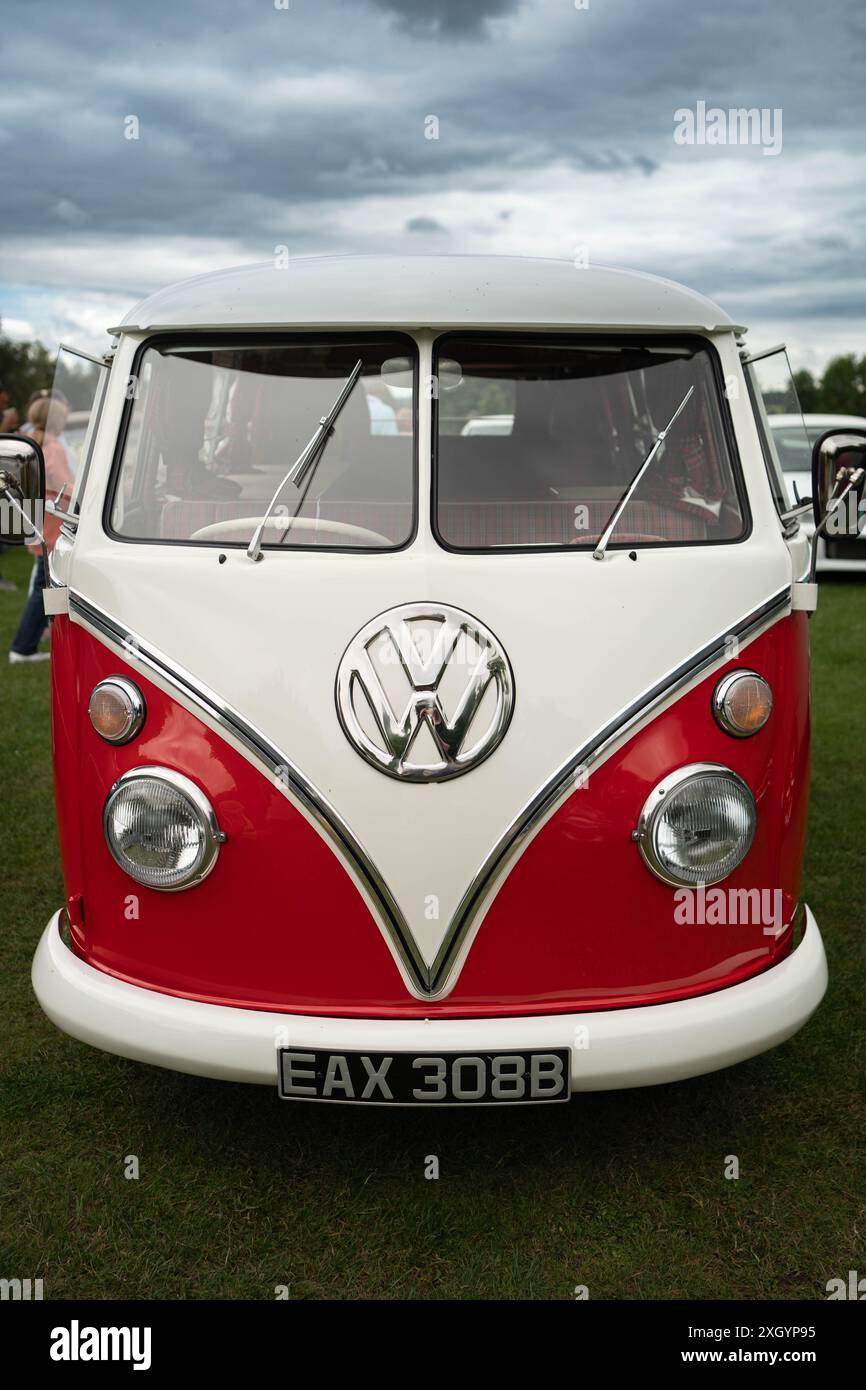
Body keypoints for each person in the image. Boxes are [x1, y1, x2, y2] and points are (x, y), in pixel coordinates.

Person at [8, 394, 73, 663]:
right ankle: (23, 647)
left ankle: (32, 642)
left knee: (42, 581)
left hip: (34, 517)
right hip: (53, 521)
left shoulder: (29, 444)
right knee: (44, 585)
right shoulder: (54, 447)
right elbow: (67, 484)